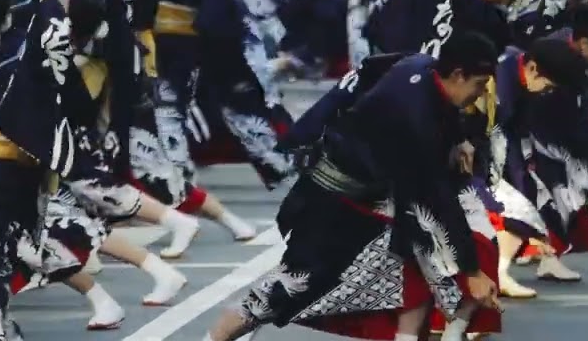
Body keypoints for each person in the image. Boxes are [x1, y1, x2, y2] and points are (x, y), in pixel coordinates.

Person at [204, 32, 501, 341]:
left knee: (417, 261)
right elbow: (437, 196)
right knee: (289, 286)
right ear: (457, 74)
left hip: (372, 191)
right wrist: (471, 273)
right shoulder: (415, 117)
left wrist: (458, 139)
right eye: (478, 85)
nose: (478, 95)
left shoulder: (419, 64)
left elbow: (373, 73)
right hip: (333, 199)